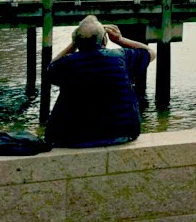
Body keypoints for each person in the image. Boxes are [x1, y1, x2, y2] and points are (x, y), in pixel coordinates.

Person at [44, 16, 153, 148]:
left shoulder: (67, 63)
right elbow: (150, 52)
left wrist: (74, 43)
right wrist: (120, 39)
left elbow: (51, 69)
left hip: (74, 138)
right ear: (104, 40)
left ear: (76, 41)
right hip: (123, 133)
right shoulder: (121, 57)